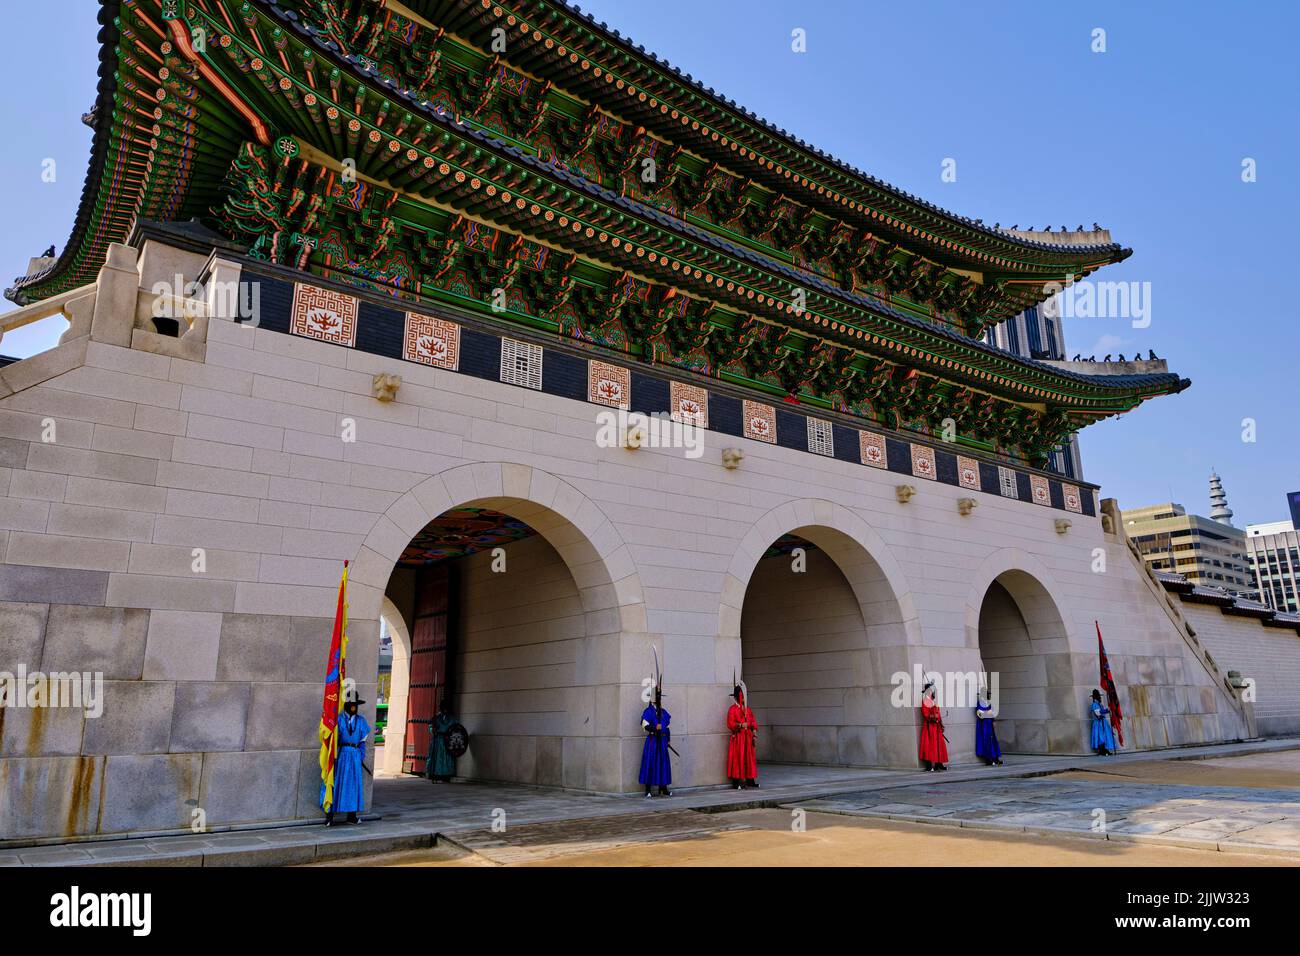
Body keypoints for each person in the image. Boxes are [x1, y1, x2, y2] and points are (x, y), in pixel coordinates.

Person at [326, 693, 370, 826]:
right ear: (346, 705)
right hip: (341, 755)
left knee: (354, 785)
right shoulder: (338, 720)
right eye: (351, 705)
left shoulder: (361, 721)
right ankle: (330, 816)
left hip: (355, 755)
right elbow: (333, 740)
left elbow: (363, 742)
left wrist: (361, 755)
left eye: (355, 705)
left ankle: (352, 816)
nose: (354, 707)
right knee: (336, 782)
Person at [639, 684, 672, 797]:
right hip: (653, 741)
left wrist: (668, 739)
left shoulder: (663, 712)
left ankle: (663, 787)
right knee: (650, 763)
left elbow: (667, 728)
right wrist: (654, 728)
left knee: (663, 763)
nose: (659, 699)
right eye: (658, 697)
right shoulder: (648, 711)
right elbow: (644, 725)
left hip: (662, 741)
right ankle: (648, 789)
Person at [726, 684, 758, 789]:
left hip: (747, 738)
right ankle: (736, 782)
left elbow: (753, 721)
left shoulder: (747, 709)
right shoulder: (732, 709)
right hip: (738, 738)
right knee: (737, 758)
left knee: (749, 758)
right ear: (736, 697)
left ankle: (750, 780)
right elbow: (730, 723)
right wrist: (739, 725)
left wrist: (754, 733)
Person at [426, 698, 459, 783]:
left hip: (445, 740)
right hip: (439, 740)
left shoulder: (449, 718)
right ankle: (437, 775)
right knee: (438, 757)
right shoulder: (437, 718)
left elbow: (454, 728)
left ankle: (443, 775)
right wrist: (433, 729)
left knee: (442, 757)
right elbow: (431, 727)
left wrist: (436, 729)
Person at [919, 681, 948, 771]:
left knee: (939, 745)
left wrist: (940, 722)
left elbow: (938, 712)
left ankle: (939, 764)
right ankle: (929, 765)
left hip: (936, 726)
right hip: (929, 727)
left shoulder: (934, 701)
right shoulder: (925, 701)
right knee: (929, 746)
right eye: (931, 689)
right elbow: (925, 713)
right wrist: (933, 717)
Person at [974, 686, 1002, 766]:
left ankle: (995, 758)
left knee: (993, 740)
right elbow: (979, 714)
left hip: (989, 723)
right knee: (986, 741)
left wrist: (993, 720)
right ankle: (988, 759)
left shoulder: (988, 703)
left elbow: (992, 712)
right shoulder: (979, 703)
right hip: (984, 725)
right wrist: (988, 713)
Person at [1090, 688, 1118, 756]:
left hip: (1103, 722)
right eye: (1098, 696)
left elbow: (1101, 711)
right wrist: (1106, 710)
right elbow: (1098, 713)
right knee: (1100, 737)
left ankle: (1105, 749)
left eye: (1099, 696)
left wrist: (1108, 710)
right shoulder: (1094, 705)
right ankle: (1101, 750)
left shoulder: (1100, 704)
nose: (1099, 697)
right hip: (1098, 722)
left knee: (1106, 735)